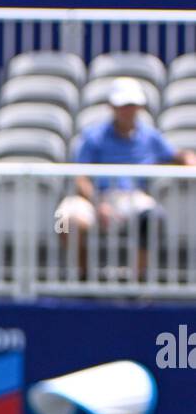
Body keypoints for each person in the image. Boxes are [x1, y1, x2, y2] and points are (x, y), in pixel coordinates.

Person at [56, 76, 196, 279]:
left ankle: (136, 280)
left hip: (132, 198)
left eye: (132, 105)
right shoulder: (93, 136)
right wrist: (97, 203)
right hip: (95, 197)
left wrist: (189, 158)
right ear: (112, 107)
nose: (128, 111)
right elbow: (81, 177)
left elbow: (174, 155)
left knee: (153, 217)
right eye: (123, 105)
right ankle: (83, 275)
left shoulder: (150, 136)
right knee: (63, 221)